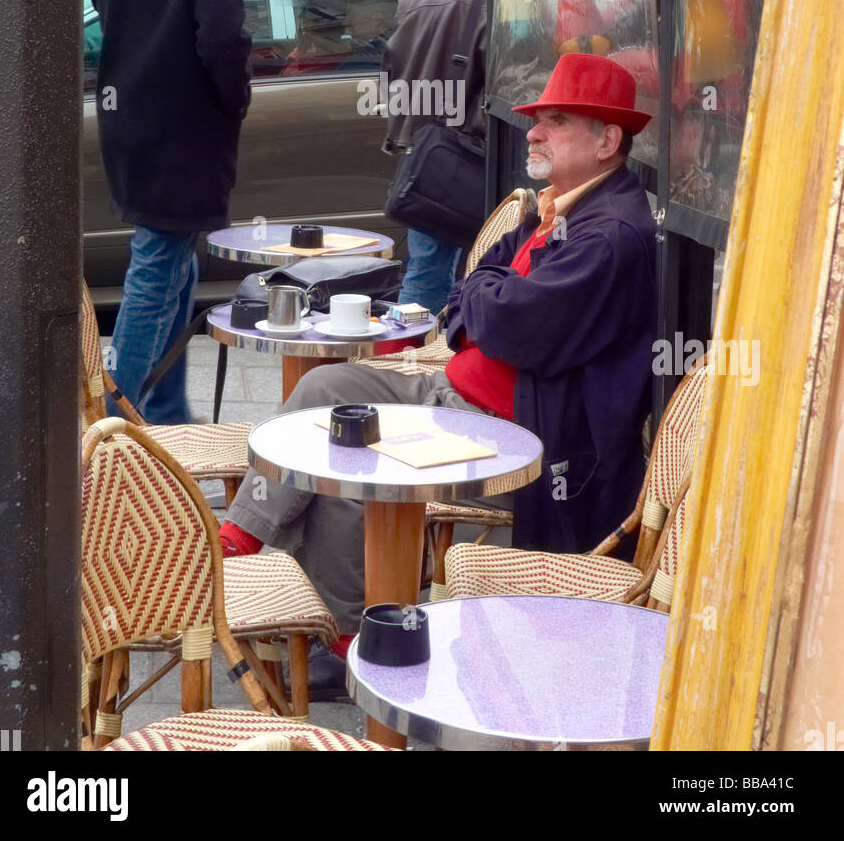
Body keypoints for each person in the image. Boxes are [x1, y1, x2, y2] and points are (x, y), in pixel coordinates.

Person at [219, 52, 656, 696]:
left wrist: (484, 298)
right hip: (459, 393)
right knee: (324, 391)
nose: (532, 132)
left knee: (350, 458)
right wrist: (486, 297)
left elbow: (509, 321)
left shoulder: (608, 233)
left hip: (518, 432)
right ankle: (241, 542)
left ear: (607, 141)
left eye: (555, 121)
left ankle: (346, 636)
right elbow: (469, 291)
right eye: (538, 119)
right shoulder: (558, 206)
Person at [89, 0, 251, 424]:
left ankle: (166, 407)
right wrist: (233, 99)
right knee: (157, 263)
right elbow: (223, 40)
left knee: (174, 253)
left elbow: (108, 18)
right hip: (186, 126)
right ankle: (116, 419)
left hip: (127, 119)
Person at [381, 0, 490, 313]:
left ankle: (412, 355)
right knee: (476, 268)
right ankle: (417, 360)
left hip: (425, 151)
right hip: (470, 151)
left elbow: (393, 70)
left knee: (427, 265)